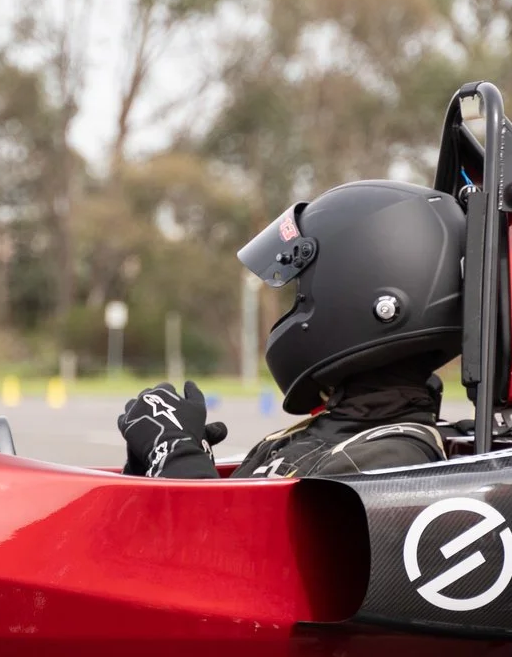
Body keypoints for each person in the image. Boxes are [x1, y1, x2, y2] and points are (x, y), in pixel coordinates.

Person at [118, 179, 464, 479]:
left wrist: (178, 456)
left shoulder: (394, 460)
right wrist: (155, 459)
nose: (294, 307)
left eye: (300, 293)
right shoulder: (343, 430)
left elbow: (236, 550)